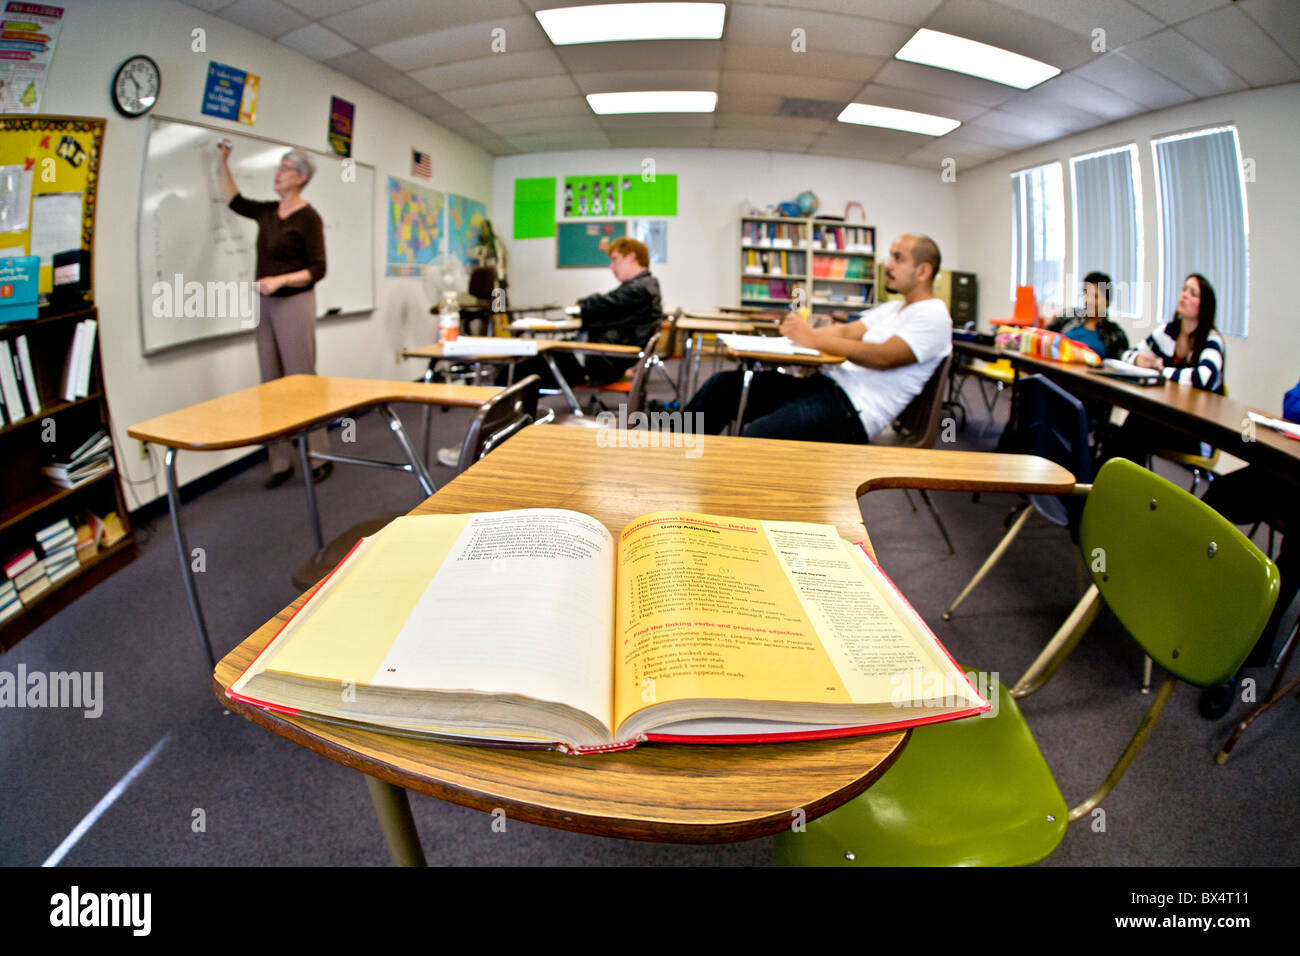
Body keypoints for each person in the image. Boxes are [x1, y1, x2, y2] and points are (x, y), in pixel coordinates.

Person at [684, 234, 951, 442]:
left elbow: (884, 357)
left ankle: (732, 505)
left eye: (898, 258)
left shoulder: (934, 315)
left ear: (923, 271)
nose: (888, 265)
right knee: (724, 387)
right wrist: (800, 335)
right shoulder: (892, 308)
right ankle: (672, 458)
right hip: (826, 385)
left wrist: (811, 338)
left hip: (855, 412)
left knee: (759, 436)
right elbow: (846, 331)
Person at [218, 141, 332, 489]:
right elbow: (235, 200)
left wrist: (280, 279)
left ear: (300, 178)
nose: (277, 174)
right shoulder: (268, 212)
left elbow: (318, 268)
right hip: (265, 305)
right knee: (270, 382)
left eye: (284, 169)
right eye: (277, 168)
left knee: (301, 380)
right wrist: (223, 161)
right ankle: (280, 461)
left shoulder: (308, 217)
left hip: (295, 302)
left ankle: (319, 455)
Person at [1197, 376, 1300, 718]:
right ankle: (1191, 597)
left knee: (1296, 554)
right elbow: (1293, 403)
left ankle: (1245, 654)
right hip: (1289, 469)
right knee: (1222, 493)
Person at [496, 236, 662, 391]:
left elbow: (597, 306)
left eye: (614, 260)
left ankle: (500, 408)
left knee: (518, 371)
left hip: (598, 359)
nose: (611, 266)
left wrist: (584, 306)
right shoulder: (645, 286)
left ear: (631, 257)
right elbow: (602, 307)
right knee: (535, 361)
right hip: (604, 355)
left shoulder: (638, 290)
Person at [1099, 273, 1225, 465]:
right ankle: (1113, 478)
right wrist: (1138, 359)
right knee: (1136, 425)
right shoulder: (1167, 332)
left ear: (1205, 306)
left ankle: (1108, 479)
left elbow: (1203, 378)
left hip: (1196, 432)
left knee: (1136, 427)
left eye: (1193, 293)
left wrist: (1162, 371)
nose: (1184, 295)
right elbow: (1127, 355)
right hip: (1165, 420)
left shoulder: (1212, 340)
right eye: (1184, 289)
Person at [1046, 271, 1129, 360]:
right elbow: (1045, 339)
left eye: (1095, 296)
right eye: (1087, 294)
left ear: (1107, 301)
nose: (1089, 301)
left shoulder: (1115, 334)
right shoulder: (1068, 316)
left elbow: (1121, 363)